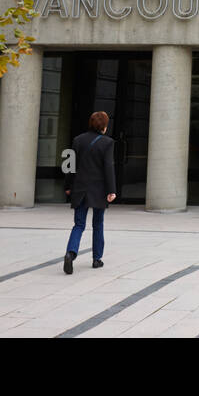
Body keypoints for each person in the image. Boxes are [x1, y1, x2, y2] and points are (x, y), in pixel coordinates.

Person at [63, 111, 117, 275]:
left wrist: (68, 185)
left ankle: (70, 254)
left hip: (79, 188)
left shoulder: (77, 140)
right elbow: (108, 166)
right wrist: (111, 190)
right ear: (105, 126)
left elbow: (69, 164)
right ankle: (96, 259)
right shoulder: (108, 143)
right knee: (98, 223)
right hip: (98, 190)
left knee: (79, 224)